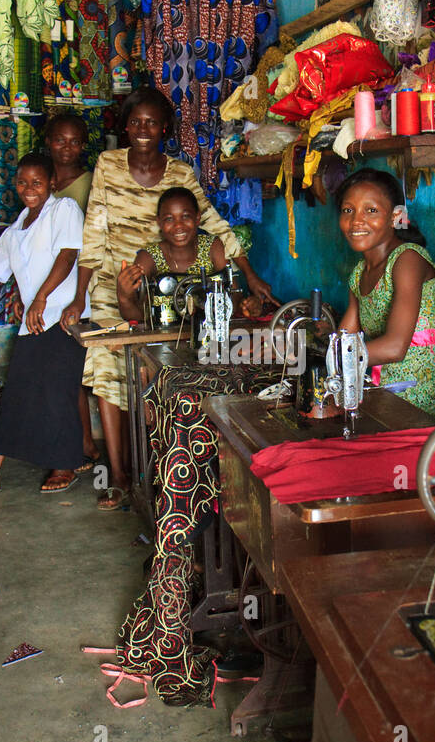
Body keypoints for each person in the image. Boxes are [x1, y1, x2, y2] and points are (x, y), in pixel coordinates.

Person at [60, 87, 278, 511]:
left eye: (152, 122)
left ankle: (164, 471)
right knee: (108, 369)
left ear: (165, 129)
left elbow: (213, 223)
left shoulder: (180, 173)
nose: (143, 130)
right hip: (116, 282)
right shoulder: (107, 165)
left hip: (171, 281)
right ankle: (120, 476)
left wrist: (250, 276)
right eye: (136, 122)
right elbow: (94, 232)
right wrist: (79, 296)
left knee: (159, 370)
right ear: (126, 127)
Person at [0, 153, 89, 494]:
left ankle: (64, 465)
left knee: (58, 393)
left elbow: (68, 255)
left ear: (51, 182)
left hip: (63, 315)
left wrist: (41, 297)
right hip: (34, 323)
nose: (29, 189)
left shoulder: (63, 210)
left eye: (37, 182)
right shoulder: (16, 229)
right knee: (20, 395)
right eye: (22, 182)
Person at [336, 168, 435, 420]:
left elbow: (394, 347)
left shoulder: (407, 260)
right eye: (348, 210)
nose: (357, 220)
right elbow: (344, 337)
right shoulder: (359, 273)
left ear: (395, 216)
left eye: (371, 211)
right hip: (384, 386)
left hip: (417, 392)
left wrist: (329, 356)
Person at [45, 112, 100, 476]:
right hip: (46, 287)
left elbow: (93, 242)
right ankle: (81, 444)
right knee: (61, 372)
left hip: (79, 284)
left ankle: (82, 446)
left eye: (75, 141)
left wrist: (80, 294)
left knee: (73, 371)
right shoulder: (36, 181)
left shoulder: (91, 184)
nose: (67, 148)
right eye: (60, 140)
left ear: (84, 145)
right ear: (48, 142)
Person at [114, 187, 260, 324]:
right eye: (169, 219)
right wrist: (124, 297)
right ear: (159, 222)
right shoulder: (148, 258)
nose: (178, 225)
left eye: (185, 216)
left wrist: (245, 305)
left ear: (198, 218)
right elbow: (138, 317)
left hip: (209, 337)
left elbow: (234, 294)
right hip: (163, 340)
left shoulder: (213, 247)